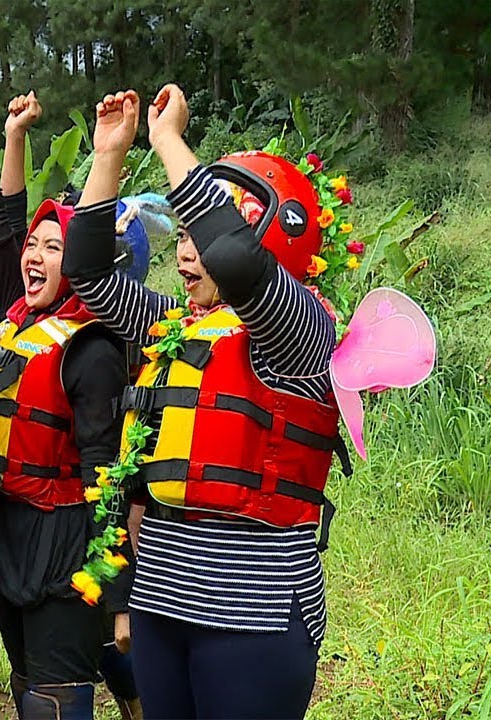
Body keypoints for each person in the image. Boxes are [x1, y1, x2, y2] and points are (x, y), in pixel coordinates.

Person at [64, 85, 345, 719]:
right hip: (161, 600)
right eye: (181, 237)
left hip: (254, 617)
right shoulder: (177, 326)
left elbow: (236, 260)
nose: (187, 253)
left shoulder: (300, 333)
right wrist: (109, 155)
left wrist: (167, 139)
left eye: (200, 235)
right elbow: (89, 275)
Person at [0, 66, 144, 720]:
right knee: (27, 685)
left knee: (54, 702)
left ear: (83, 265)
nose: (33, 255)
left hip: (65, 543)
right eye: (35, 243)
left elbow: (106, 477)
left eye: (55, 247)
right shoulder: (19, 318)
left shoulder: (92, 349)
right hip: (9, 533)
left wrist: (118, 594)